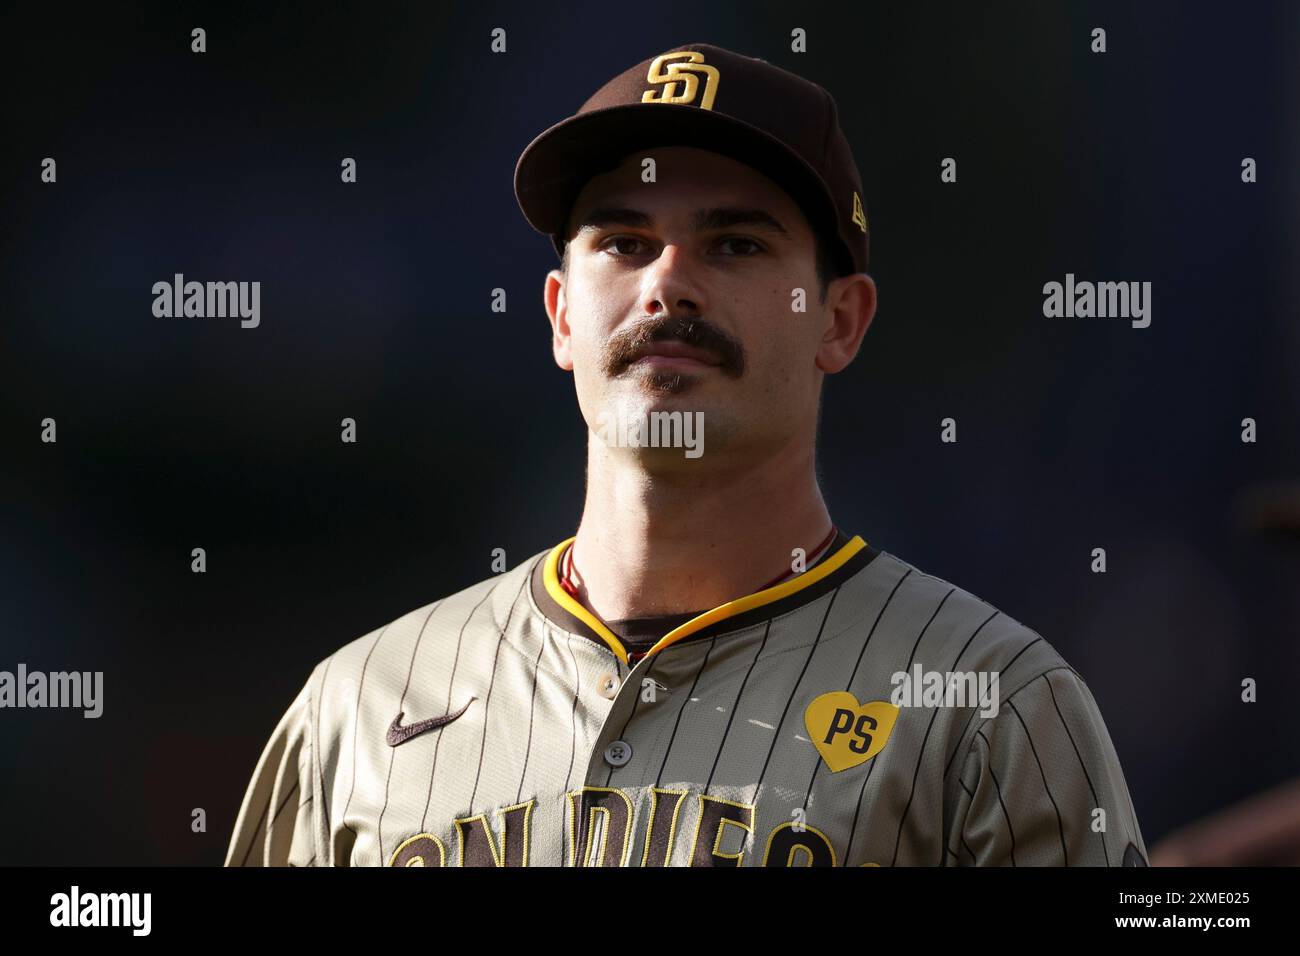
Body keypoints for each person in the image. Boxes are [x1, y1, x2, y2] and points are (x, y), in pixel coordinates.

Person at [226, 41, 1146, 867]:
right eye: (624, 242)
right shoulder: (355, 705)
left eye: (735, 243)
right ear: (559, 316)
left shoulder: (993, 704)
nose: (667, 282)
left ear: (840, 319)